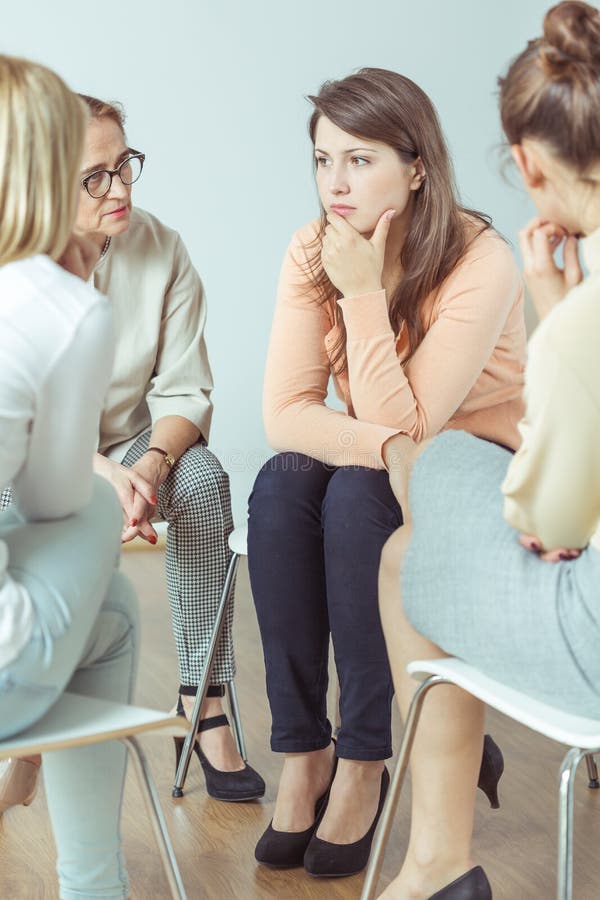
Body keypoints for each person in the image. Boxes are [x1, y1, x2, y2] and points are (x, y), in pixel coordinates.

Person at [248, 67, 527, 878]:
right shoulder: (311, 249)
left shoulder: (482, 260)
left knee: (358, 493)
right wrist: (384, 448)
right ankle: (305, 753)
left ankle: (365, 758)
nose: (335, 183)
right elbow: (287, 413)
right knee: (282, 482)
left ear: (416, 167)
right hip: (388, 462)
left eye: (360, 159)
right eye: (322, 159)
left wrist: (365, 296)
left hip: (480, 471)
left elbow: (411, 424)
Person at [378, 3, 600, 897]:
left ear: (527, 162)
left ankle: (437, 860)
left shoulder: (578, 322)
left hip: (591, 636)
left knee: (420, 499)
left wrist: (552, 314)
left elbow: (549, 516)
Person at [0, 95, 264, 805]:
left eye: (125, 166)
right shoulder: (14, 264)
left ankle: (203, 703)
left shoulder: (162, 246)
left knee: (205, 481)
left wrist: (146, 466)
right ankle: (32, 698)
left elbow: (184, 391)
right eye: (96, 177)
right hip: (30, 456)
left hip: (133, 445)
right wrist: (101, 476)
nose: (120, 189)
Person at [0, 54, 139, 898]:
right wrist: (110, 485)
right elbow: (50, 501)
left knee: (115, 610)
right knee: (92, 506)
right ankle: (93, 886)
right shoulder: (58, 304)